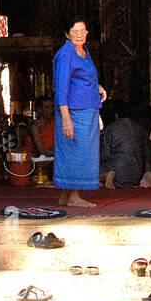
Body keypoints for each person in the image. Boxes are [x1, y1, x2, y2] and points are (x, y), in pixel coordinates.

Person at [53, 15, 106, 208]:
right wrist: (66, 118)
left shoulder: (84, 51)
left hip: (88, 109)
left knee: (80, 151)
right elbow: (62, 87)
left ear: (87, 33)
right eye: (74, 31)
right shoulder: (66, 54)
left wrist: (96, 87)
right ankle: (74, 195)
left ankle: (66, 196)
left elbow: (84, 78)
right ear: (67, 34)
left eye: (82, 31)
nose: (78, 35)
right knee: (76, 152)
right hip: (74, 111)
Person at [101, 101, 147, 189]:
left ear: (116, 115)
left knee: (90, 171)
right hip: (137, 175)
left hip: (118, 171)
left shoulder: (112, 128)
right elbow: (146, 154)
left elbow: (105, 154)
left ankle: (105, 177)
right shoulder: (139, 127)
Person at [23, 94, 56, 158]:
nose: (51, 110)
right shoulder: (35, 127)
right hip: (36, 161)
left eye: (52, 107)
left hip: (53, 158)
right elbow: (41, 151)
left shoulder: (55, 122)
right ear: (39, 110)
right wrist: (60, 154)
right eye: (47, 107)